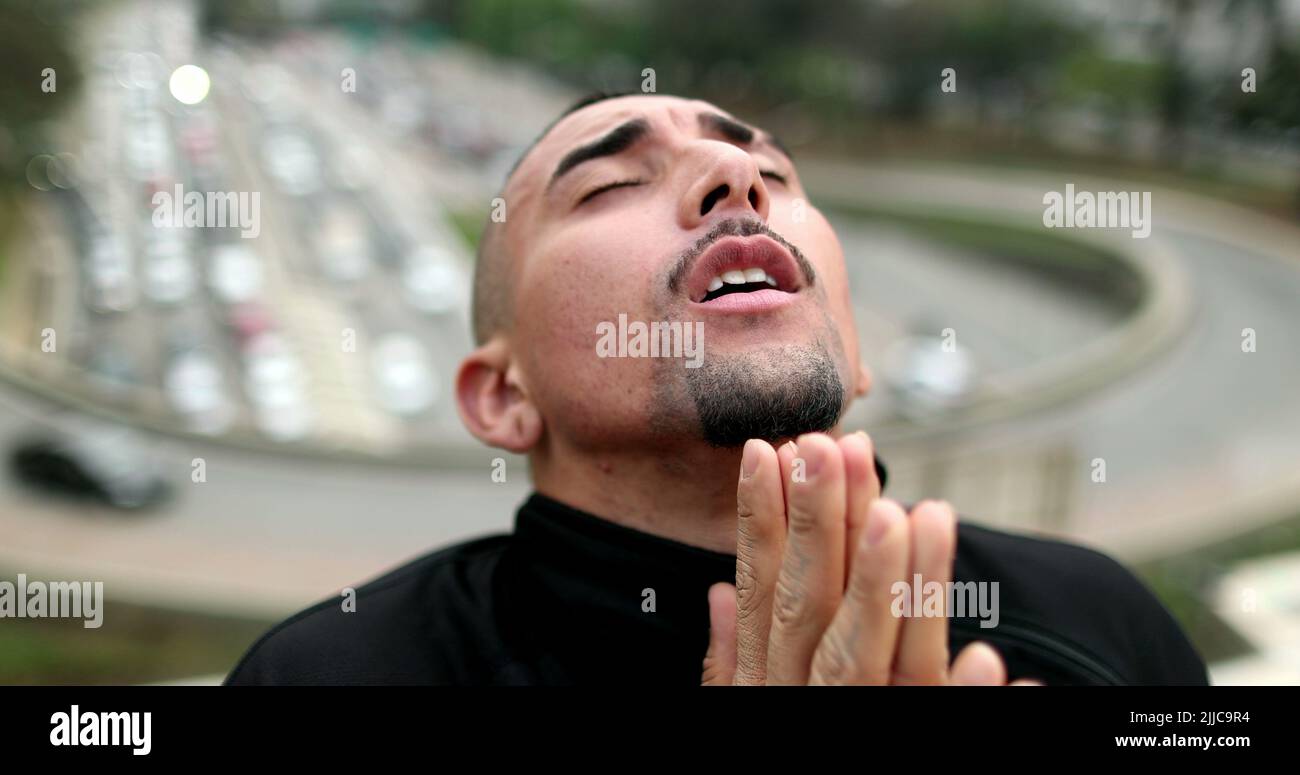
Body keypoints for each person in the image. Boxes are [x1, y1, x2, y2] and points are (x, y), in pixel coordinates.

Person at [226, 93, 1209, 686]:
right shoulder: (331, 673)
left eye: (774, 169)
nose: (733, 173)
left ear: (857, 354)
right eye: (609, 185)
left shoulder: (1096, 619)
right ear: (499, 395)